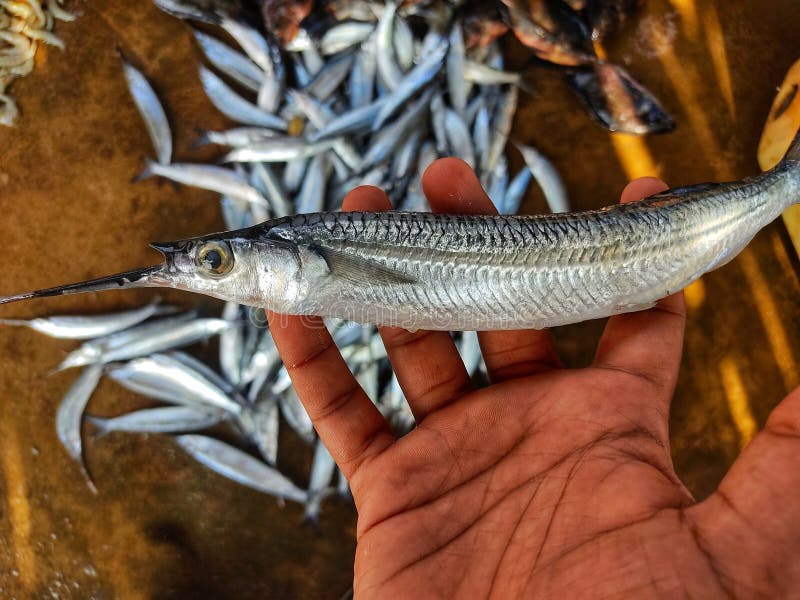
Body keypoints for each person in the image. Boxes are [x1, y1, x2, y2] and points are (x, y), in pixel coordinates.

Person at [268, 159, 800, 597]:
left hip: (655, 243)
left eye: (225, 262)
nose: (223, 278)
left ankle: (784, 184)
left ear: (298, 256)